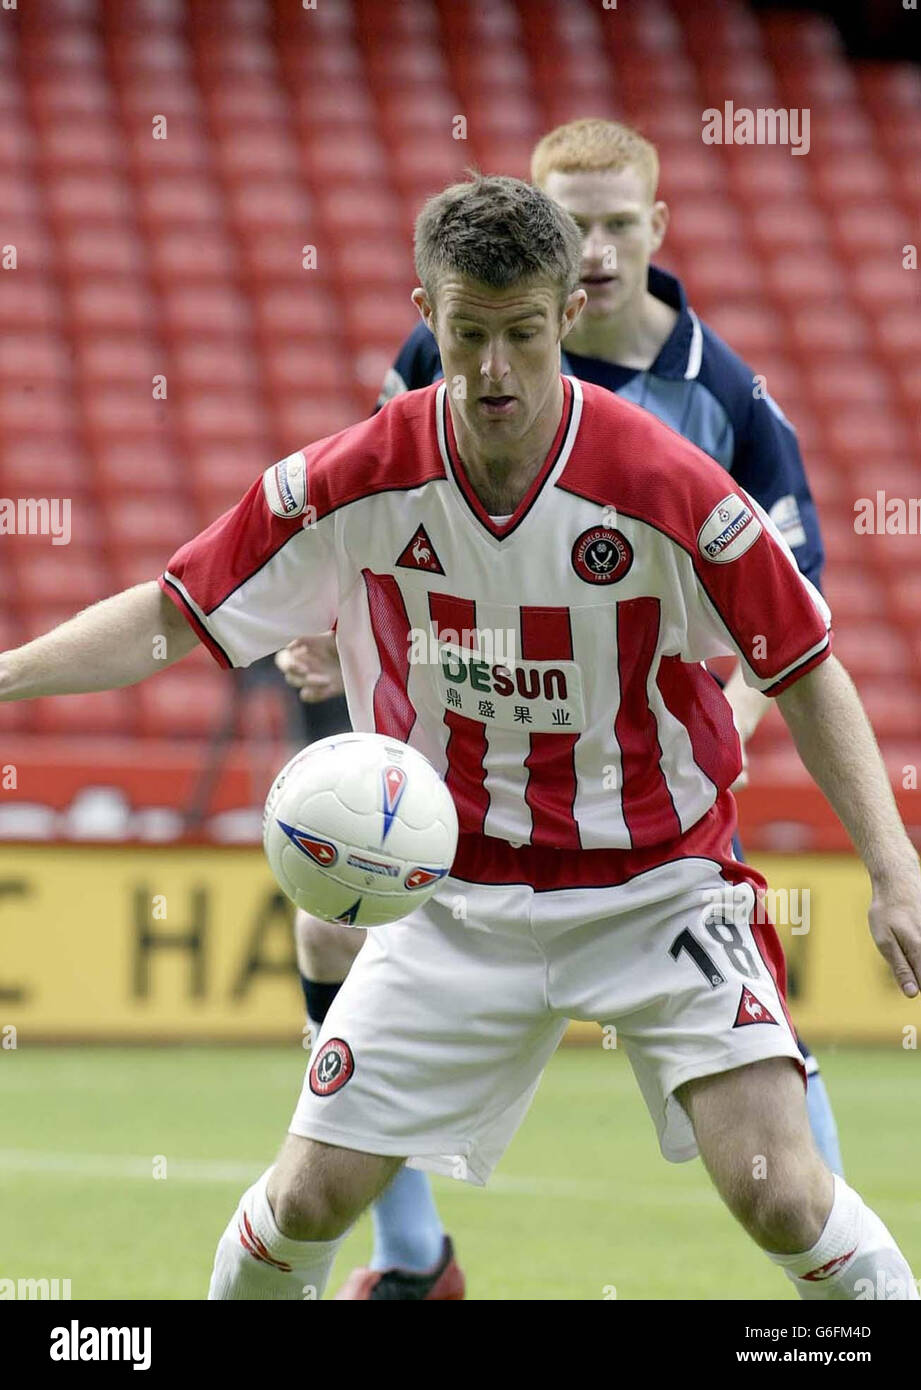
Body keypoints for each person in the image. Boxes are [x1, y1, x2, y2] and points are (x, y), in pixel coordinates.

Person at [2, 176, 918, 1304]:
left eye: (522, 336)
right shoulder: (355, 476)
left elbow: (805, 666)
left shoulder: (666, 485)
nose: (493, 371)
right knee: (304, 1201)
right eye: (467, 334)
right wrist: (7, 677)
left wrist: (893, 866)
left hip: (658, 880)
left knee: (781, 1189)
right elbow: (169, 613)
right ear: (425, 312)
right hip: (449, 895)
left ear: (566, 318)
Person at [278, 119, 844, 1295]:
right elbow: (371, 514)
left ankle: (833, 1260)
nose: (591, 246)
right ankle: (411, 1257)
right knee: (329, 922)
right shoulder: (453, 341)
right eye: (568, 222)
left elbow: (786, 604)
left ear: (657, 227)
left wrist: (730, 710)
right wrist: (325, 626)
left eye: (615, 222)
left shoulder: (725, 400)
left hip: (645, 776)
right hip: (469, 755)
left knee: (751, 1040)